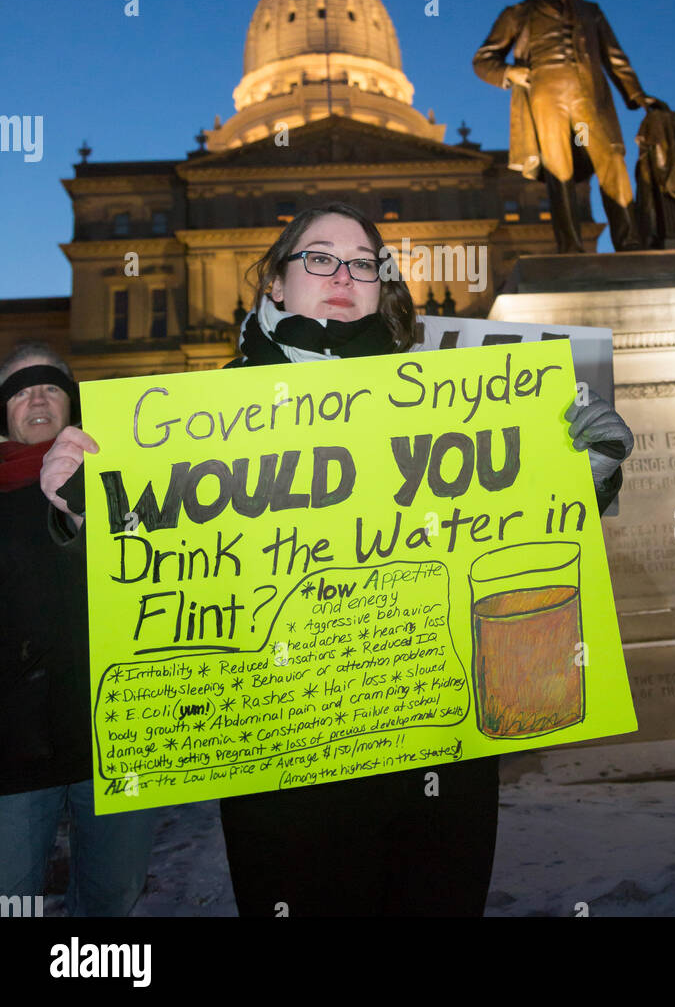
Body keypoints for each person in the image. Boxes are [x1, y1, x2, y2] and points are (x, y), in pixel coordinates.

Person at [42, 202, 635, 917]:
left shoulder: (456, 395)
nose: (343, 274)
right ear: (274, 285)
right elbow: (136, 574)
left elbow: (516, 533)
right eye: (319, 257)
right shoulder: (184, 419)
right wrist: (81, 508)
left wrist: (588, 473)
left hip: (433, 751)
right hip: (283, 762)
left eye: (364, 263)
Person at [0, 342, 157, 916]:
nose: (37, 398)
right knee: (9, 899)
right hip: (13, 752)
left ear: (73, 403)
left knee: (111, 896)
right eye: (20, 389)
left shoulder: (130, 478)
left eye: (50, 386)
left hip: (114, 737)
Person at [473, 0, 662, 253]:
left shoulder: (590, 11)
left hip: (587, 94)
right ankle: (570, 248)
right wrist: (510, 73)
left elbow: (615, 58)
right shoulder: (516, 14)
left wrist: (638, 95)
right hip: (545, 97)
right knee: (558, 169)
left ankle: (630, 241)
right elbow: (482, 61)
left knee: (612, 158)